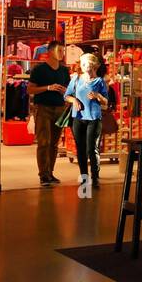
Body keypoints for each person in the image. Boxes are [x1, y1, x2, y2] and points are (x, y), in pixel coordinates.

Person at [27, 40, 70, 186]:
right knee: (44, 142)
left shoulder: (64, 70)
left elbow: (69, 90)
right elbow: (30, 89)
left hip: (59, 108)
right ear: (50, 52)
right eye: (59, 51)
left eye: (63, 51)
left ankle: (50, 172)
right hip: (43, 108)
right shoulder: (39, 69)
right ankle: (43, 174)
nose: (62, 54)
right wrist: (48, 88)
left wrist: (66, 91)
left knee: (54, 144)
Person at [66, 53, 109, 188]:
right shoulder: (76, 79)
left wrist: (98, 96)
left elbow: (106, 102)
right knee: (81, 149)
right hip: (78, 117)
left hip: (94, 117)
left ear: (94, 66)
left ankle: (95, 177)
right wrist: (74, 100)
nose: (85, 67)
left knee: (92, 148)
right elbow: (66, 95)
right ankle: (84, 178)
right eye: (83, 64)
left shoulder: (99, 81)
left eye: (88, 65)